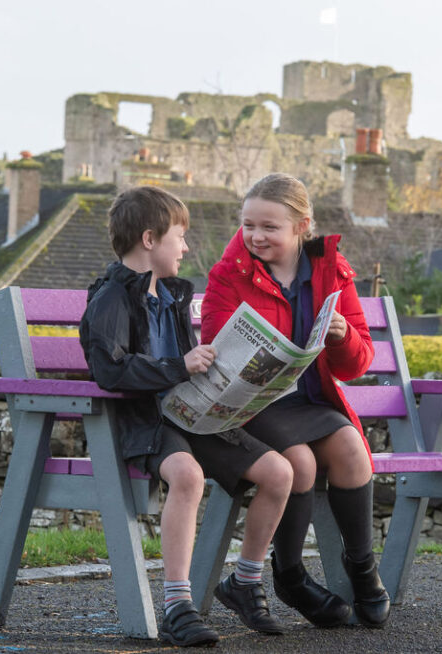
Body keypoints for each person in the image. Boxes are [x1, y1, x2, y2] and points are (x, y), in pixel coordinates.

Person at [79, 186, 294, 647]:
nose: (186, 247)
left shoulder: (172, 296)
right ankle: (178, 604)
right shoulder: (112, 298)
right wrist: (180, 365)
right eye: (181, 236)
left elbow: (185, 366)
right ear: (151, 239)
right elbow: (109, 369)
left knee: (279, 472)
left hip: (191, 415)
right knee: (188, 476)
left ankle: (245, 580)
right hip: (145, 425)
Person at [201, 173, 390, 628]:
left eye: (269, 227)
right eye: (248, 225)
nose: (256, 236)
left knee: (351, 449)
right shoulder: (229, 274)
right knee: (300, 464)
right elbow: (216, 350)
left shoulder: (331, 271)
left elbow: (356, 364)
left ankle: (362, 568)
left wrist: (342, 337)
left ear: (302, 225)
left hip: (308, 401)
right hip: (255, 406)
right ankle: (289, 574)